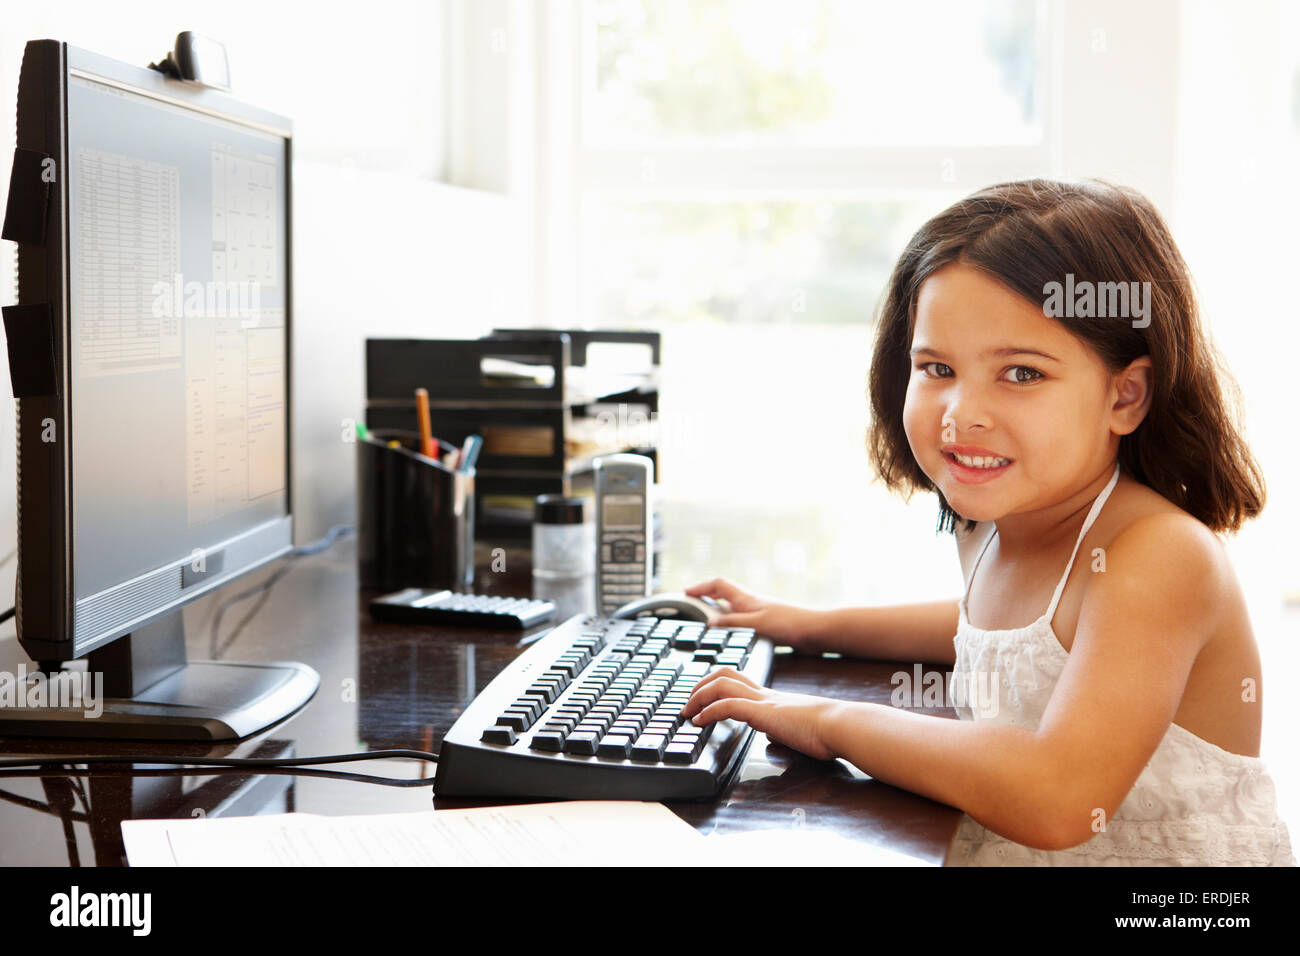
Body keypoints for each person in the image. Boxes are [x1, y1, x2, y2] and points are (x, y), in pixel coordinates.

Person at [681, 178, 1294, 866]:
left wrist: (827, 721)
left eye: (1022, 374)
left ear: (1126, 395)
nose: (962, 412)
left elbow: (1057, 798)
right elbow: (992, 629)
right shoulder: (994, 525)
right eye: (937, 367)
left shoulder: (1158, 555)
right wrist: (808, 624)